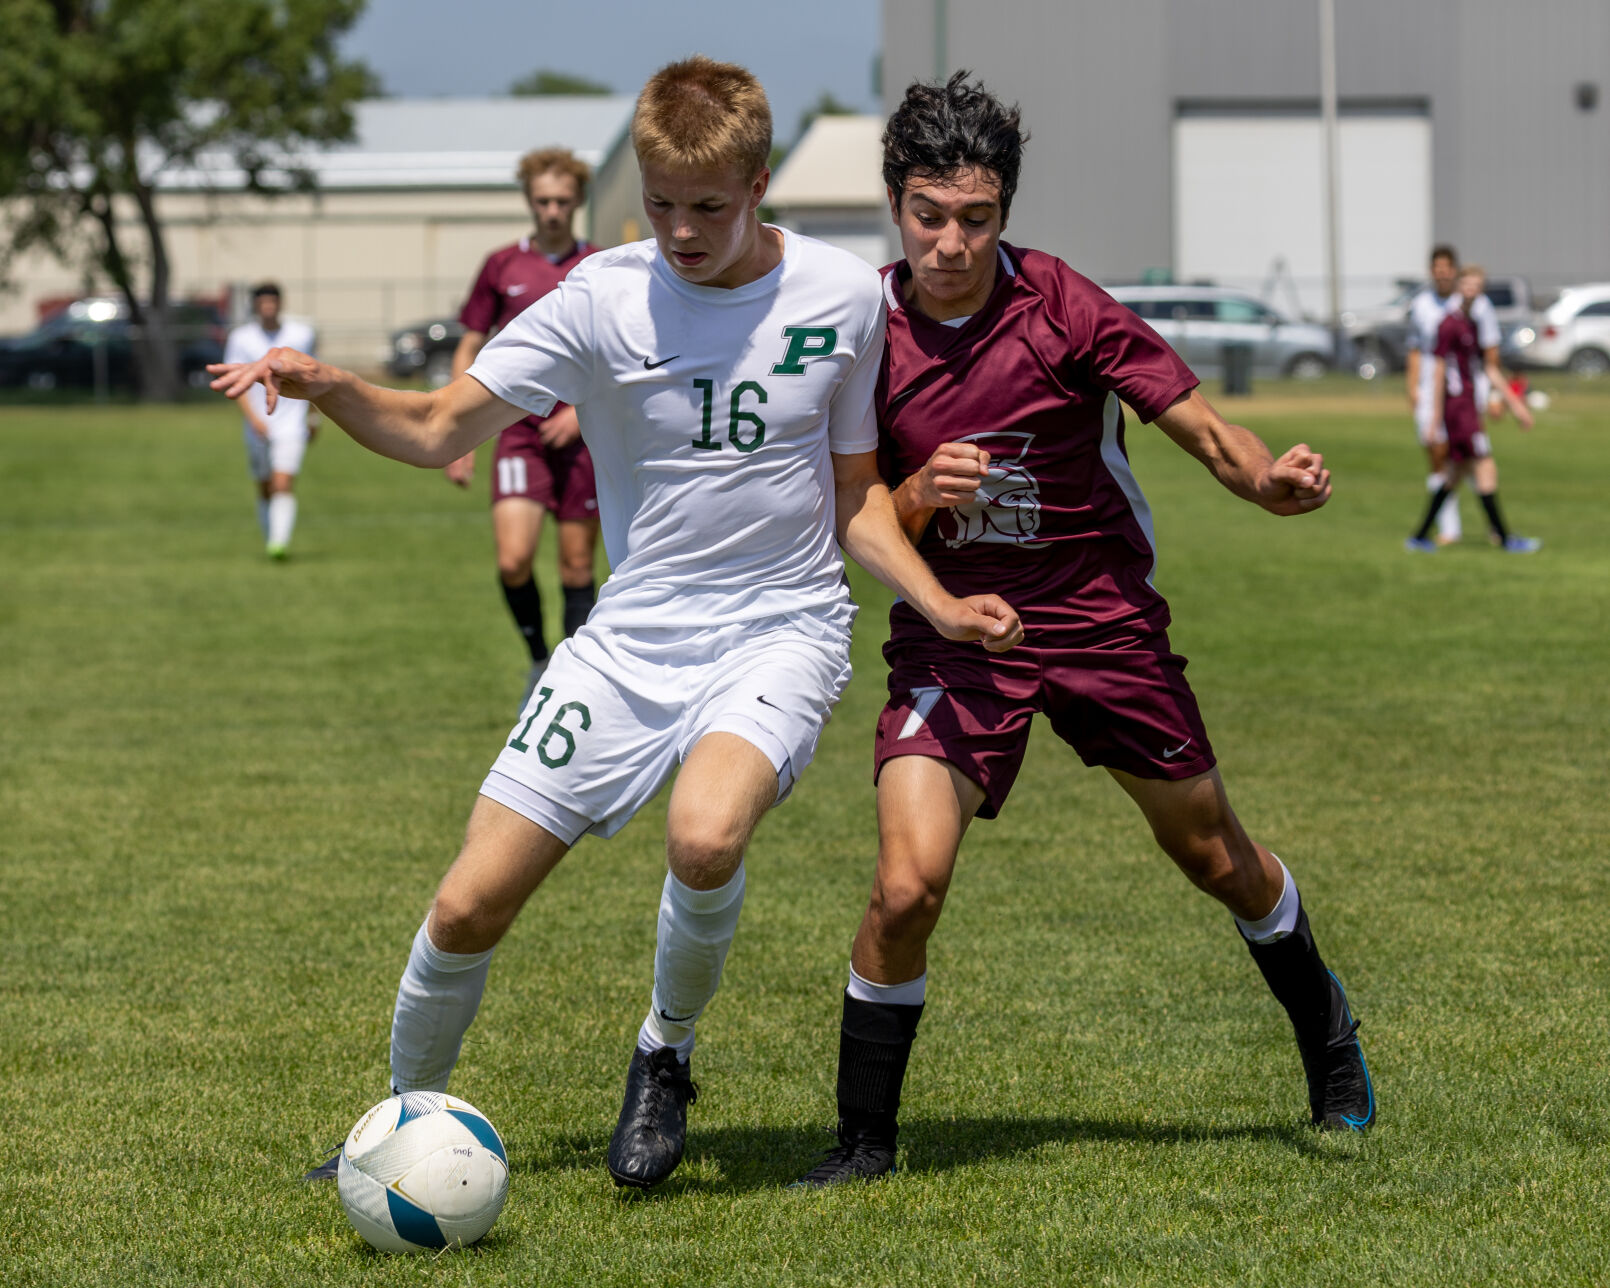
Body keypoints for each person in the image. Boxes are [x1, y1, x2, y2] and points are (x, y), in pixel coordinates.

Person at [210, 56, 1022, 1193]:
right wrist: (329, 385)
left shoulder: (840, 297)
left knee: (703, 834)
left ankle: (665, 1052)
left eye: (707, 205)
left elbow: (854, 493)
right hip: (629, 641)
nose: (681, 232)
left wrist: (931, 598)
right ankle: (394, 1126)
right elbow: (440, 427)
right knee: (465, 901)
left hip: (779, 631)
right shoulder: (598, 297)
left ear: (756, 183)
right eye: (659, 204)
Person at [795, 73, 1371, 1189]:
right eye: (927, 214)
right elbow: (851, 508)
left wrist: (1265, 480)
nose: (949, 242)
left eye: (975, 218)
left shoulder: (1061, 304)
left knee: (1215, 857)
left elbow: (1200, 426)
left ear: (1004, 211)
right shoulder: (859, 328)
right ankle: (863, 1139)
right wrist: (920, 496)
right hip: (949, 632)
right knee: (905, 885)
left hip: (1098, 620)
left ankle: (1324, 1027)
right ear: (891, 203)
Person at [445, 148, 603, 703]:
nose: (553, 210)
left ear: (578, 201)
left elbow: (628, 356)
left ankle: (571, 683)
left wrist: (579, 414)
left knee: (576, 562)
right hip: (516, 429)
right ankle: (539, 660)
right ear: (528, 202)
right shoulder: (501, 266)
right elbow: (470, 342)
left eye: (563, 200)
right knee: (513, 559)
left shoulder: (604, 265)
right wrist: (457, 427)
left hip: (585, 434)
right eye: (543, 201)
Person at [1407, 265, 1538, 553]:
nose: (1471, 290)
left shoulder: (1472, 324)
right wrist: (1434, 418)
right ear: (1458, 286)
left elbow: (1489, 370)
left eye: (1477, 285)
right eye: (1466, 284)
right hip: (1458, 410)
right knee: (1485, 466)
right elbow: (1438, 372)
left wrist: (1516, 405)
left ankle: (1418, 536)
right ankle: (1505, 539)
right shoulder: (1448, 325)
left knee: (1455, 472)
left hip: (1467, 406)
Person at [1405, 245, 1501, 546]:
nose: (1443, 272)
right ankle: (1450, 529)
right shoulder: (1431, 311)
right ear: (1432, 271)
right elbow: (1424, 356)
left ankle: (1494, 531)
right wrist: (1416, 392)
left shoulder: (1476, 309)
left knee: (1470, 462)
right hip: (1444, 397)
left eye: (1449, 267)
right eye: (1438, 267)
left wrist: (1496, 395)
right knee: (1450, 460)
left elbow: (1489, 356)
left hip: (1467, 398)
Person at [222, 284, 317, 559]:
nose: (268, 307)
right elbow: (237, 381)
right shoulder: (241, 338)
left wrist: (314, 416)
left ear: (280, 304)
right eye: (263, 302)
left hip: (292, 423)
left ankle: (279, 544)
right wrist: (253, 419)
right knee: (265, 486)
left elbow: (313, 380)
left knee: (283, 483)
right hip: (258, 425)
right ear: (256, 306)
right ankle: (270, 538)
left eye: (272, 302)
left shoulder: (300, 335)